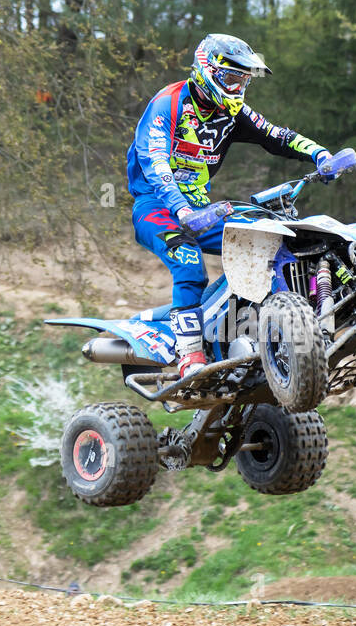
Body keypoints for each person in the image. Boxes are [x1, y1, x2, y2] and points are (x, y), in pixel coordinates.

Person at [126, 33, 337, 378]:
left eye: (243, 79)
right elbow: (156, 164)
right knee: (188, 262)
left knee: (268, 236)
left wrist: (320, 154)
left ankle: (274, 329)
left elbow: (276, 136)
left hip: (201, 209)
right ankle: (190, 356)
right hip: (156, 207)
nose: (238, 86)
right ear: (207, 71)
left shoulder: (233, 112)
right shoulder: (169, 103)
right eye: (231, 77)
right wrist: (182, 212)